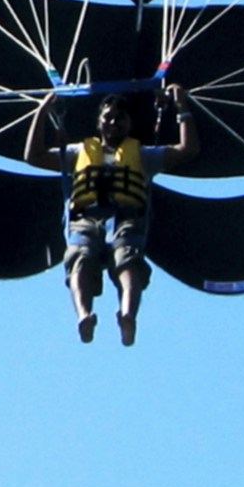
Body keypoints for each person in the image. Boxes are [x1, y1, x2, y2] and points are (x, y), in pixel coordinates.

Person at [62, 85, 192, 346]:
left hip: (126, 216)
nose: (113, 122)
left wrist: (182, 109)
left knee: (127, 257)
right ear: (98, 121)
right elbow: (33, 156)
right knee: (80, 259)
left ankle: (128, 315)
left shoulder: (143, 155)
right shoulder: (79, 152)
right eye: (107, 117)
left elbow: (187, 150)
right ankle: (84, 315)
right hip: (86, 217)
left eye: (120, 118)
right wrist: (44, 111)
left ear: (129, 123)